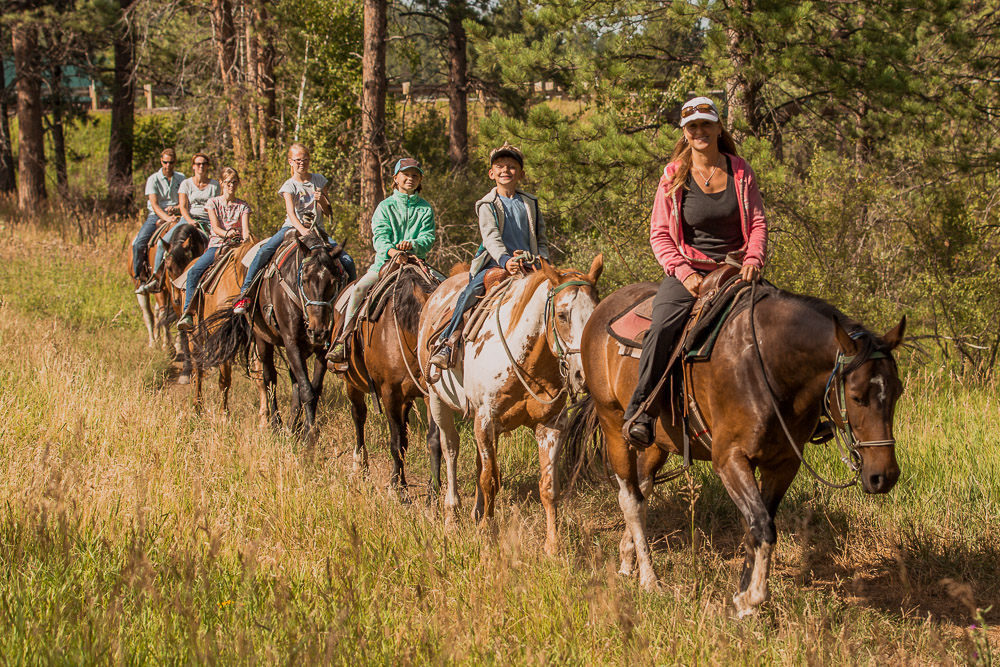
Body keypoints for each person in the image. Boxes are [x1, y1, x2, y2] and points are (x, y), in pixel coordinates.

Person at [622, 96, 767, 447]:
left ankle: (805, 413)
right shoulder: (674, 175)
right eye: (692, 126)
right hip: (688, 275)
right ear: (685, 134)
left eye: (706, 124)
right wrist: (684, 273)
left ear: (719, 128)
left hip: (736, 273)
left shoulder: (740, 170)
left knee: (781, 322)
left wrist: (752, 260)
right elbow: (659, 234)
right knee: (662, 328)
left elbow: (759, 223)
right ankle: (641, 411)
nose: (700, 131)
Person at [429, 142, 549, 369]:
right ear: (491, 173)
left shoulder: (530, 203)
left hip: (530, 266)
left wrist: (543, 261)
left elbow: (541, 238)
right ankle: (447, 341)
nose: (506, 170)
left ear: (521, 174)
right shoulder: (487, 204)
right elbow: (492, 238)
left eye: (512, 166)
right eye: (500, 166)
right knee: (470, 292)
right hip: (496, 263)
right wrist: (506, 261)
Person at [328, 157, 436, 363]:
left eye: (415, 175)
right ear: (395, 178)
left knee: (445, 290)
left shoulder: (425, 208)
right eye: (406, 175)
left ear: (420, 180)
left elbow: (428, 238)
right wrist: (393, 251)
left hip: (417, 265)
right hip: (385, 265)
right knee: (359, 289)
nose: (410, 179)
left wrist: (412, 244)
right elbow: (380, 238)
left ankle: (446, 342)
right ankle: (343, 339)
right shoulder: (385, 207)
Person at [232, 143, 355, 314]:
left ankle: (350, 301)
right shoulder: (289, 185)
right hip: (292, 228)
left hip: (318, 230)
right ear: (290, 162)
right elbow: (290, 212)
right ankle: (244, 294)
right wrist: (302, 230)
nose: (301, 163)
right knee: (263, 252)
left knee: (347, 261)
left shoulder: (319, 180)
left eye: (305, 160)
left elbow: (328, 212)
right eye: (297, 160)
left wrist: (322, 201)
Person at [177, 167, 251, 332]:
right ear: (221, 183)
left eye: (234, 182)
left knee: (257, 269)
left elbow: (246, 231)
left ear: (238, 183)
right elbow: (215, 228)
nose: (231, 185)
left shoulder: (243, 206)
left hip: (239, 247)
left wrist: (245, 240)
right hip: (218, 244)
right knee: (194, 271)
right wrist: (228, 234)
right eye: (227, 182)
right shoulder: (213, 203)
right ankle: (188, 311)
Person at [137, 153, 220, 294]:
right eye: (198, 164)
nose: (201, 166)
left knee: (216, 246)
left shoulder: (215, 185)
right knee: (163, 243)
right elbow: (183, 206)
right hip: (188, 218)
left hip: (208, 220)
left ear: (208, 166)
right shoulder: (186, 183)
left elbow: (218, 205)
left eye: (204, 164)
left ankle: (213, 277)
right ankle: (156, 277)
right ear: (193, 166)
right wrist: (189, 220)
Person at [132, 148, 185, 286]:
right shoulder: (153, 179)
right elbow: (154, 205)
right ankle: (140, 276)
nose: (168, 165)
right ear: (161, 161)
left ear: (175, 162)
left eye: (171, 162)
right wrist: (167, 218)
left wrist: (177, 209)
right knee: (139, 243)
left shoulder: (181, 178)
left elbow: (184, 201)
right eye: (165, 162)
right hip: (156, 215)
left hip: (178, 214)